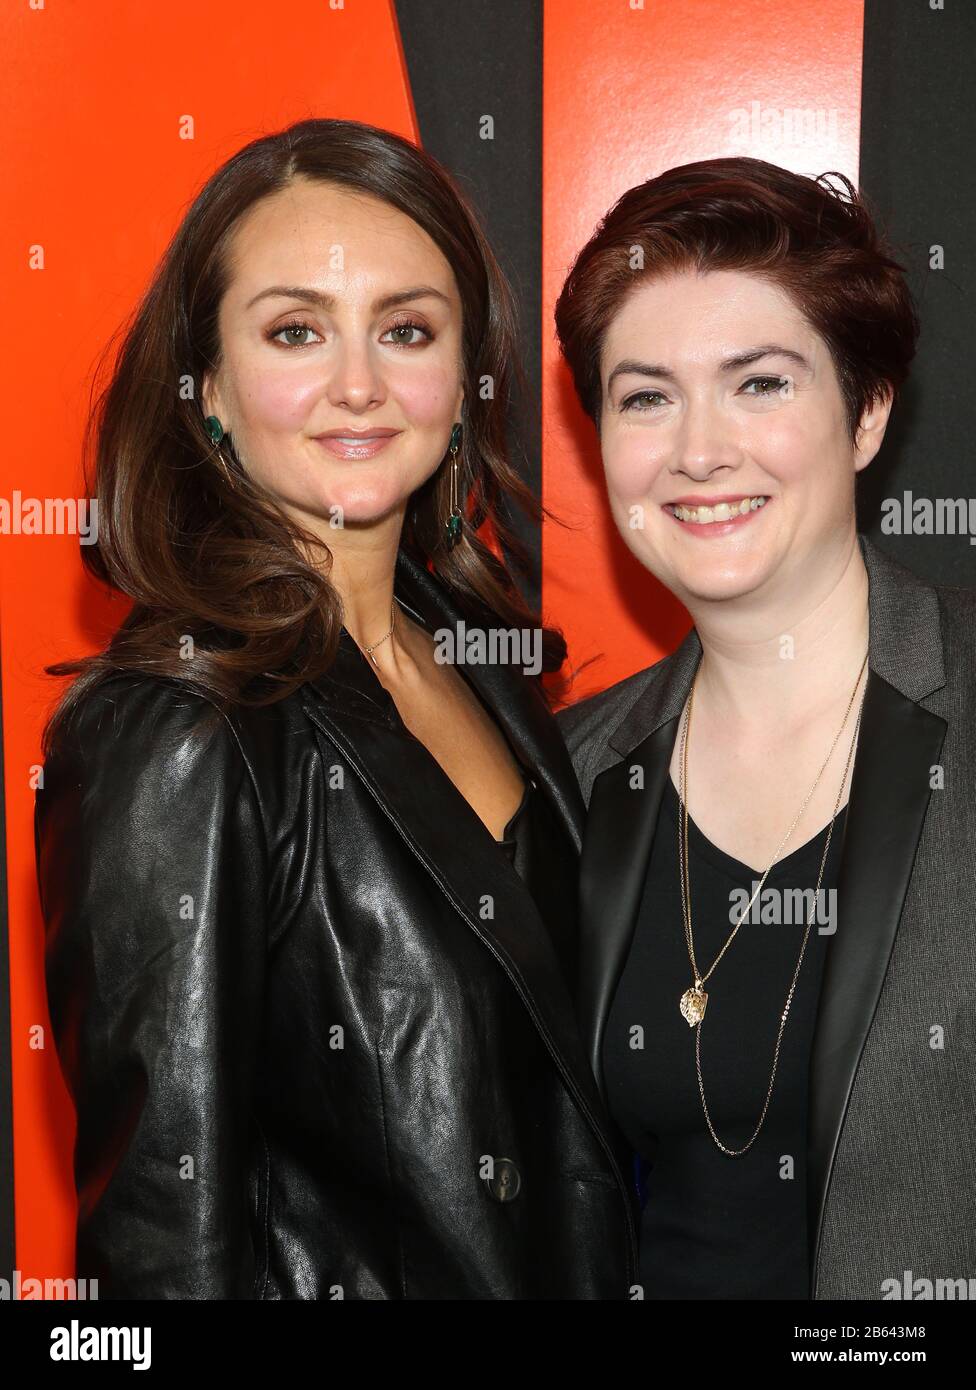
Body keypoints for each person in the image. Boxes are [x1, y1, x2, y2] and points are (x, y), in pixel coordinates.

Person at [35, 118, 636, 1300]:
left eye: (405, 330)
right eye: (296, 330)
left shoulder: (480, 662)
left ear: (465, 384)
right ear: (205, 386)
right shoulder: (177, 724)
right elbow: (162, 1240)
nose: (358, 384)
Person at [553, 156, 976, 1300]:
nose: (698, 451)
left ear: (867, 413)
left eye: (759, 384)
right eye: (645, 395)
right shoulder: (569, 775)